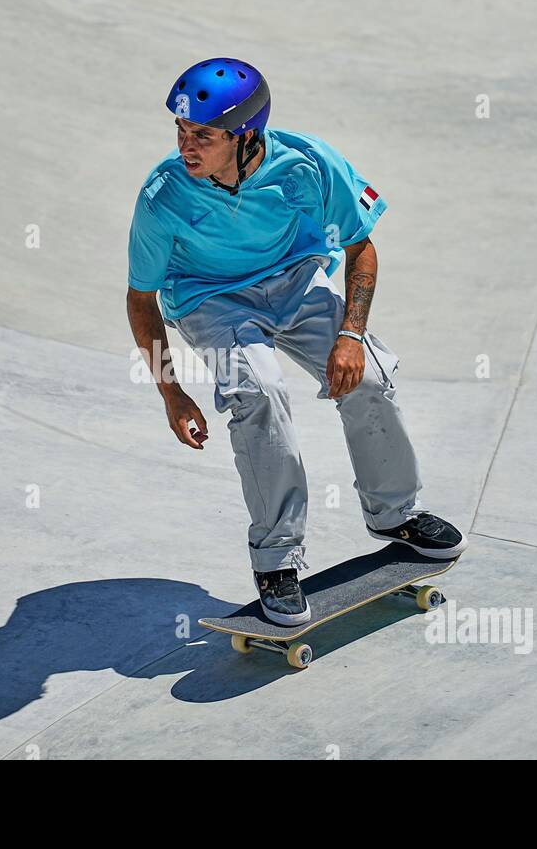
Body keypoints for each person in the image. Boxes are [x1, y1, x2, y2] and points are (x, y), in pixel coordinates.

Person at [126, 58, 466, 625]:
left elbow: (360, 246)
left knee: (371, 378)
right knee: (259, 394)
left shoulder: (307, 165)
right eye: (181, 132)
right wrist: (172, 393)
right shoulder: (163, 198)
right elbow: (141, 300)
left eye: (204, 136)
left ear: (246, 135)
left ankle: (396, 514)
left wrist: (351, 336)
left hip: (296, 278)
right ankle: (278, 561)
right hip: (209, 298)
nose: (187, 146)